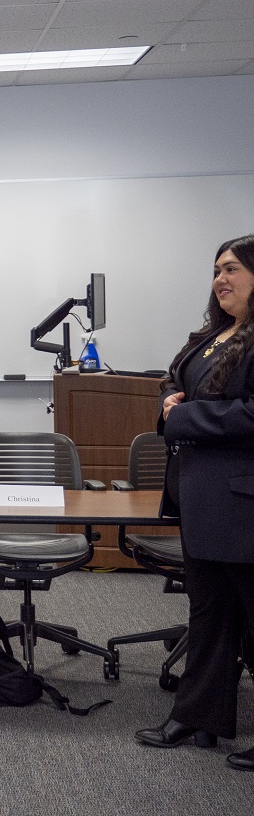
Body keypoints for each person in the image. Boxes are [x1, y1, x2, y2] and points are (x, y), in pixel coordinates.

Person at [135, 234, 254, 770]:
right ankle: (198, 717)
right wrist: (168, 399)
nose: (219, 279)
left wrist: (183, 416)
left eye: (231, 269)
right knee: (208, 613)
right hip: (200, 500)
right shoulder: (213, 335)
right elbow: (173, 380)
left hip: (242, 504)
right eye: (216, 270)